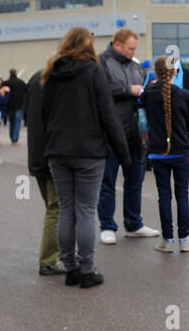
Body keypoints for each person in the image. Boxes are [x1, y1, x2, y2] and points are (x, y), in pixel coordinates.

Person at [40, 27, 131, 288]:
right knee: (86, 210)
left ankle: (70, 268)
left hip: (59, 151)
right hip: (88, 151)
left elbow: (43, 114)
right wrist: (124, 155)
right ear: (88, 45)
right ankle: (87, 270)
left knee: (67, 209)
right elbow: (108, 114)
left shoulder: (52, 72)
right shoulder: (93, 70)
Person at [98, 29, 159, 244]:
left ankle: (134, 223)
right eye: (131, 48)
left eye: (135, 48)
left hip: (137, 133)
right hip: (112, 133)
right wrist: (127, 89)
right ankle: (107, 226)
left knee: (135, 181)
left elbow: (141, 92)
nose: (134, 52)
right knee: (108, 181)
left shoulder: (136, 66)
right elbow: (100, 90)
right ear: (117, 45)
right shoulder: (101, 63)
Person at [142, 55, 189, 253]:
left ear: (155, 73)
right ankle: (184, 239)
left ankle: (167, 240)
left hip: (157, 152)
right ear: (175, 71)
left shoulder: (147, 94)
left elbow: (143, 119)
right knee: (182, 195)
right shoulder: (183, 95)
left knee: (163, 196)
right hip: (180, 150)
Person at [24, 64, 64, 277]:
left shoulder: (36, 77)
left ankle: (55, 256)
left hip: (37, 152)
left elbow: (26, 114)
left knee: (53, 206)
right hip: (54, 154)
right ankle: (49, 260)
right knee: (56, 207)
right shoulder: (59, 80)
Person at [3, 69, 27, 145]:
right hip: (19, 106)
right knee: (17, 123)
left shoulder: (6, 82)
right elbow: (26, 92)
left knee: (12, 122)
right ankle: (15, 139)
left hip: (9, 106)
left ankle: (12, 138)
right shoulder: (21, 82)